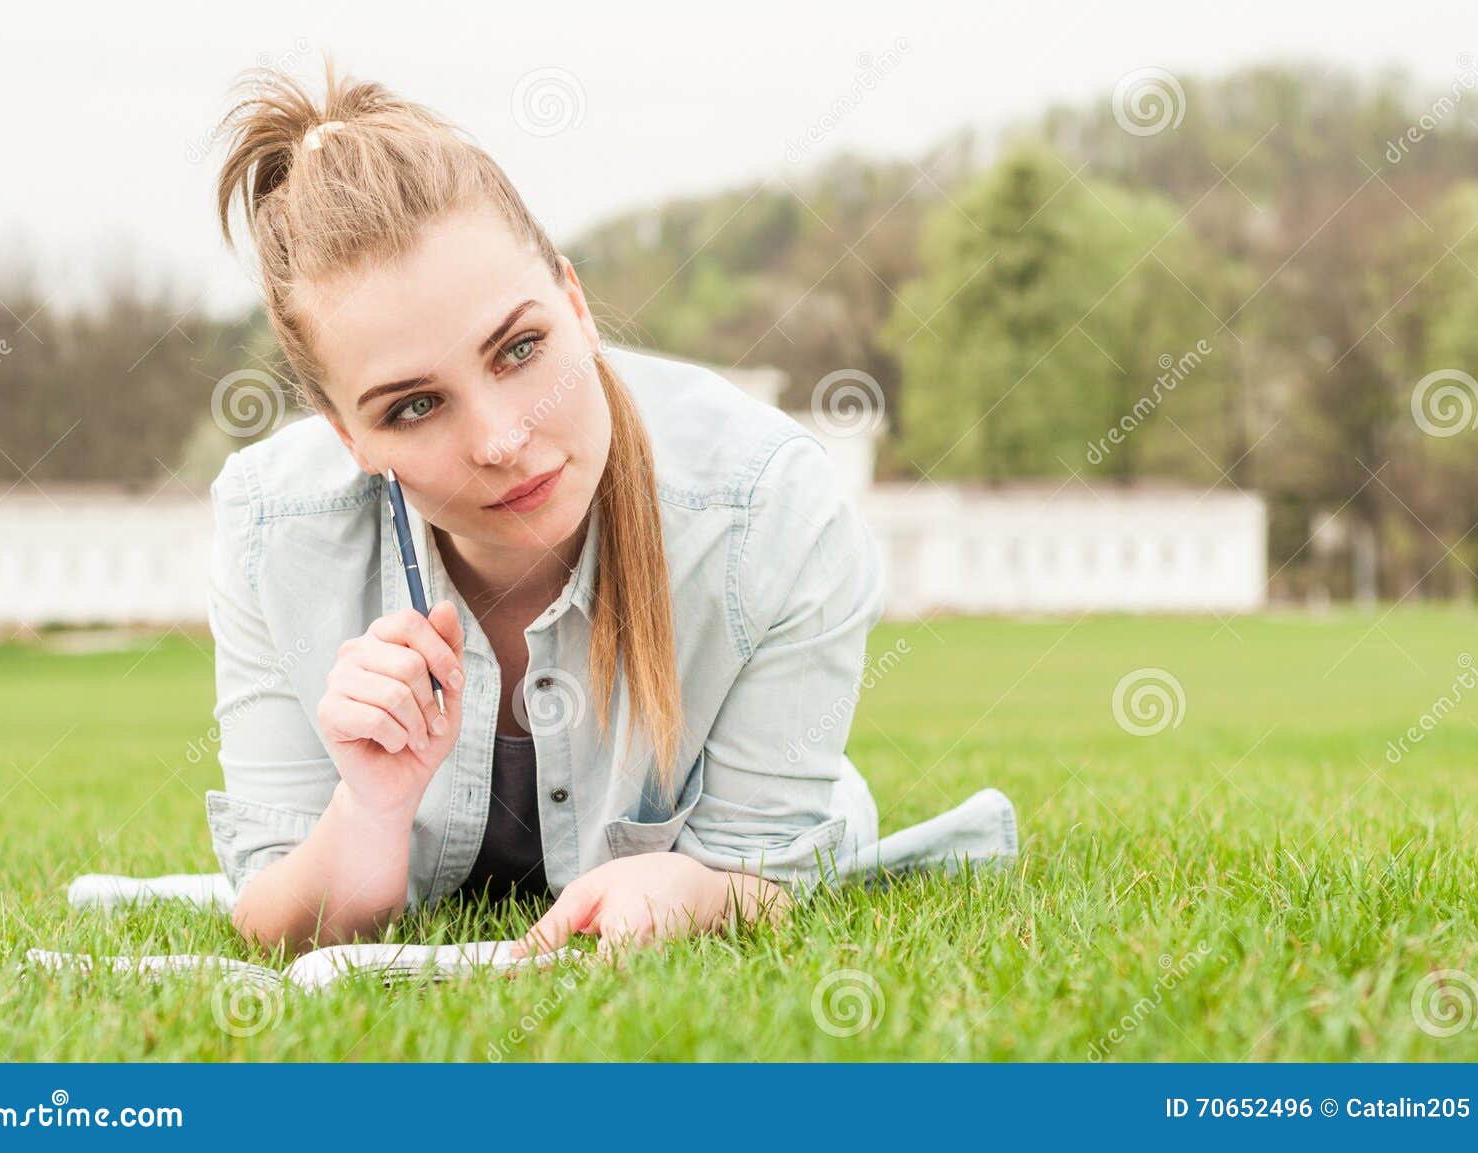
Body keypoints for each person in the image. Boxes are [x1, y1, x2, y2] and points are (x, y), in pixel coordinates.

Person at [204, 57, 1016, 960]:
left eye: (519, 348)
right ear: (346, 434)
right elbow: (276, 921)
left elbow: (764, 871)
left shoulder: (769, 507)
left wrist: (701, 890)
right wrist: (370, 807)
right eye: (414, 406)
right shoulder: (271, 525)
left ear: (577, 305)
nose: (503, 440)